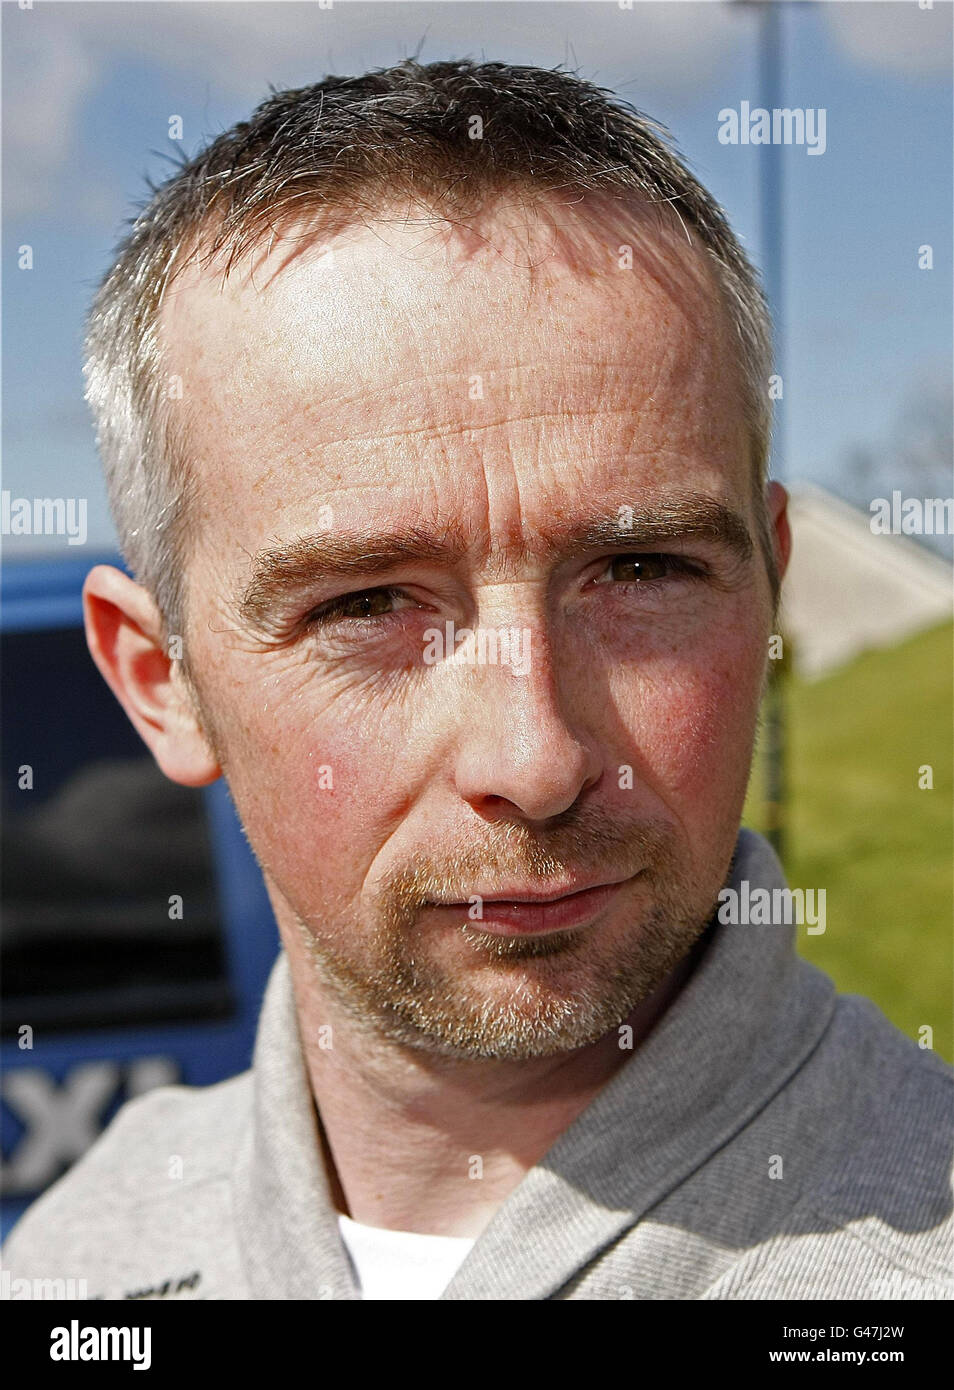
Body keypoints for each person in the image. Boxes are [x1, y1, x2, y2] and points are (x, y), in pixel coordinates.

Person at [3, 59, 950, 1302]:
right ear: (157, 679)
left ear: (769, 586)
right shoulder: (81, 1256)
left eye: (639, 569)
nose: (537, 757)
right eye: (366, 604)